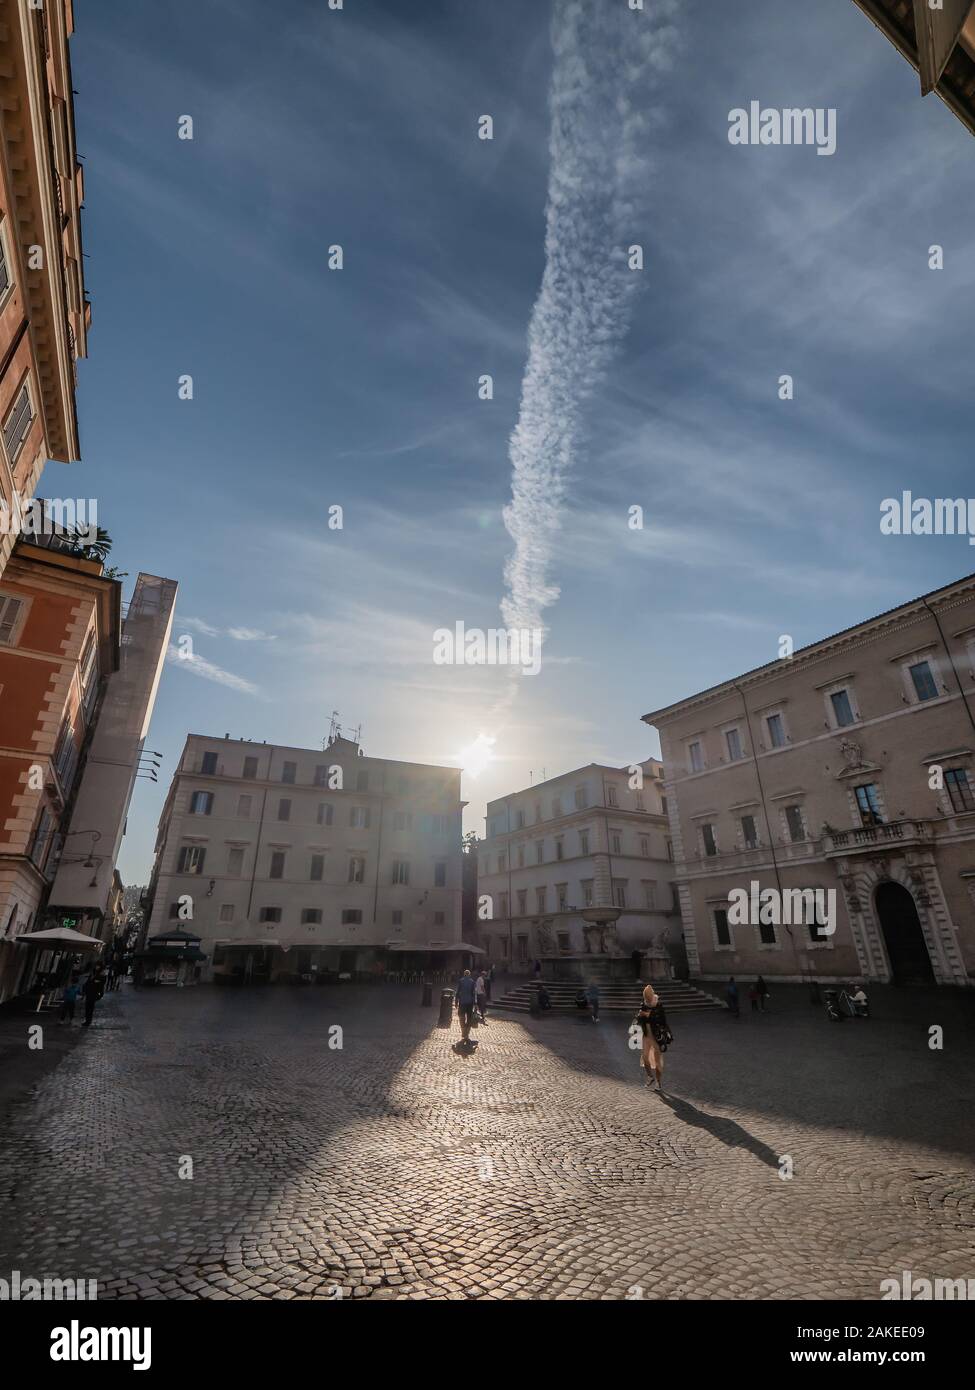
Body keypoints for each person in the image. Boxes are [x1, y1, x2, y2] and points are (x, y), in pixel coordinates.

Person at [636, 984, 672, 1090]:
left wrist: (649, 1016)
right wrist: (640, 1015)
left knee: (657, 1060)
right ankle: (650, 1076)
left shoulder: (658, 1005)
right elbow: (638, 1019)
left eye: (648, 998)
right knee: (645, 1057)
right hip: (645, 1034)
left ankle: (658, 1082)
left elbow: (663, 1022)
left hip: (656, 1035)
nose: (647, 1000)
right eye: (645, 998)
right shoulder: (643, 1004)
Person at [456, 969, 477, 1042]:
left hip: (462, 1002)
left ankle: (463, 1032)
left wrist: (456, 1002)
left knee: (461, 1017)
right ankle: (467, 1034)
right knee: (469, 1018)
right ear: (469, 974)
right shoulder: (472, 982)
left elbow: (458, 991)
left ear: (464, 974)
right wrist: (475, 1003)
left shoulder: (461, 981)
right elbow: (474, 993)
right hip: (470, 1002)